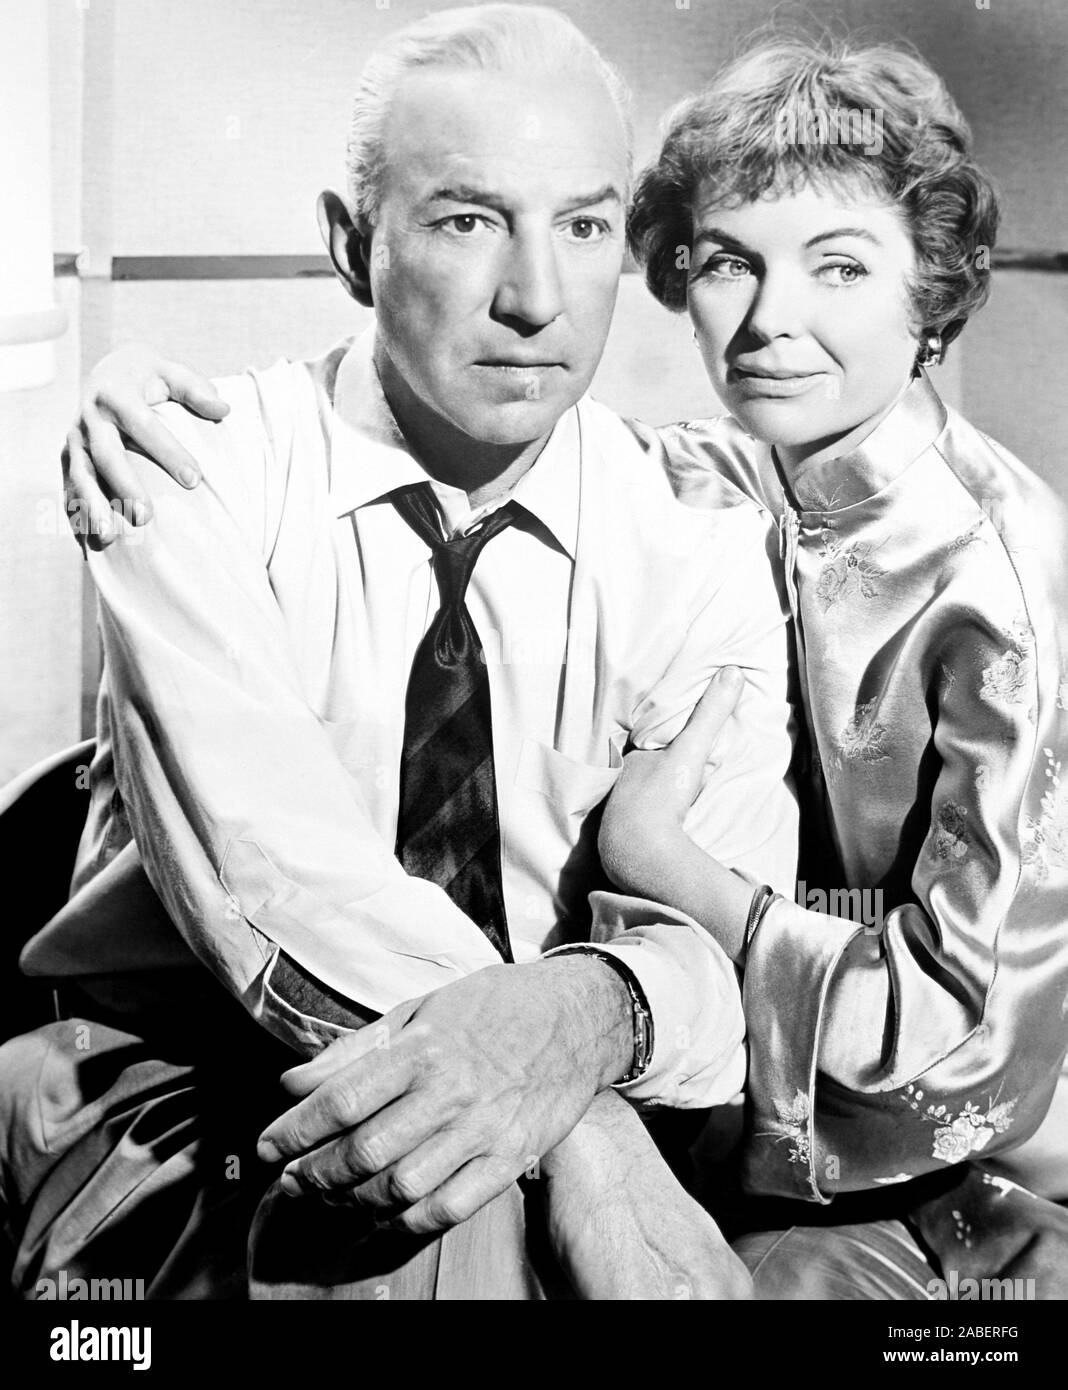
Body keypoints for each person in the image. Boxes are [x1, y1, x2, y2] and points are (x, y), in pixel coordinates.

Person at [1, 5, 795, 1300]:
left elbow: (721, 962)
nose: (536, 298)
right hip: (171, 1085)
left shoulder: (698, 552)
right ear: (350, 244)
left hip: (550, 1089)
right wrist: (572, 1104)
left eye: (584, 226)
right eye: (469, 220)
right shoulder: (185, 466)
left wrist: (579, 1030)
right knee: (452, 1241)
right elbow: (276, 899)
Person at [604, 36, 1068, 1296]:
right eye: (728, 263)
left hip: (947, 1179)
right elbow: (474, 434)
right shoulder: (717, 469)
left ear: (934, 291)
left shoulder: (1000, 577)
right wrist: (138, 397)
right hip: (723, 1102)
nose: (769, 322)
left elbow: (971, 1041)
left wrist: (674, 873)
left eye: (840, 266)